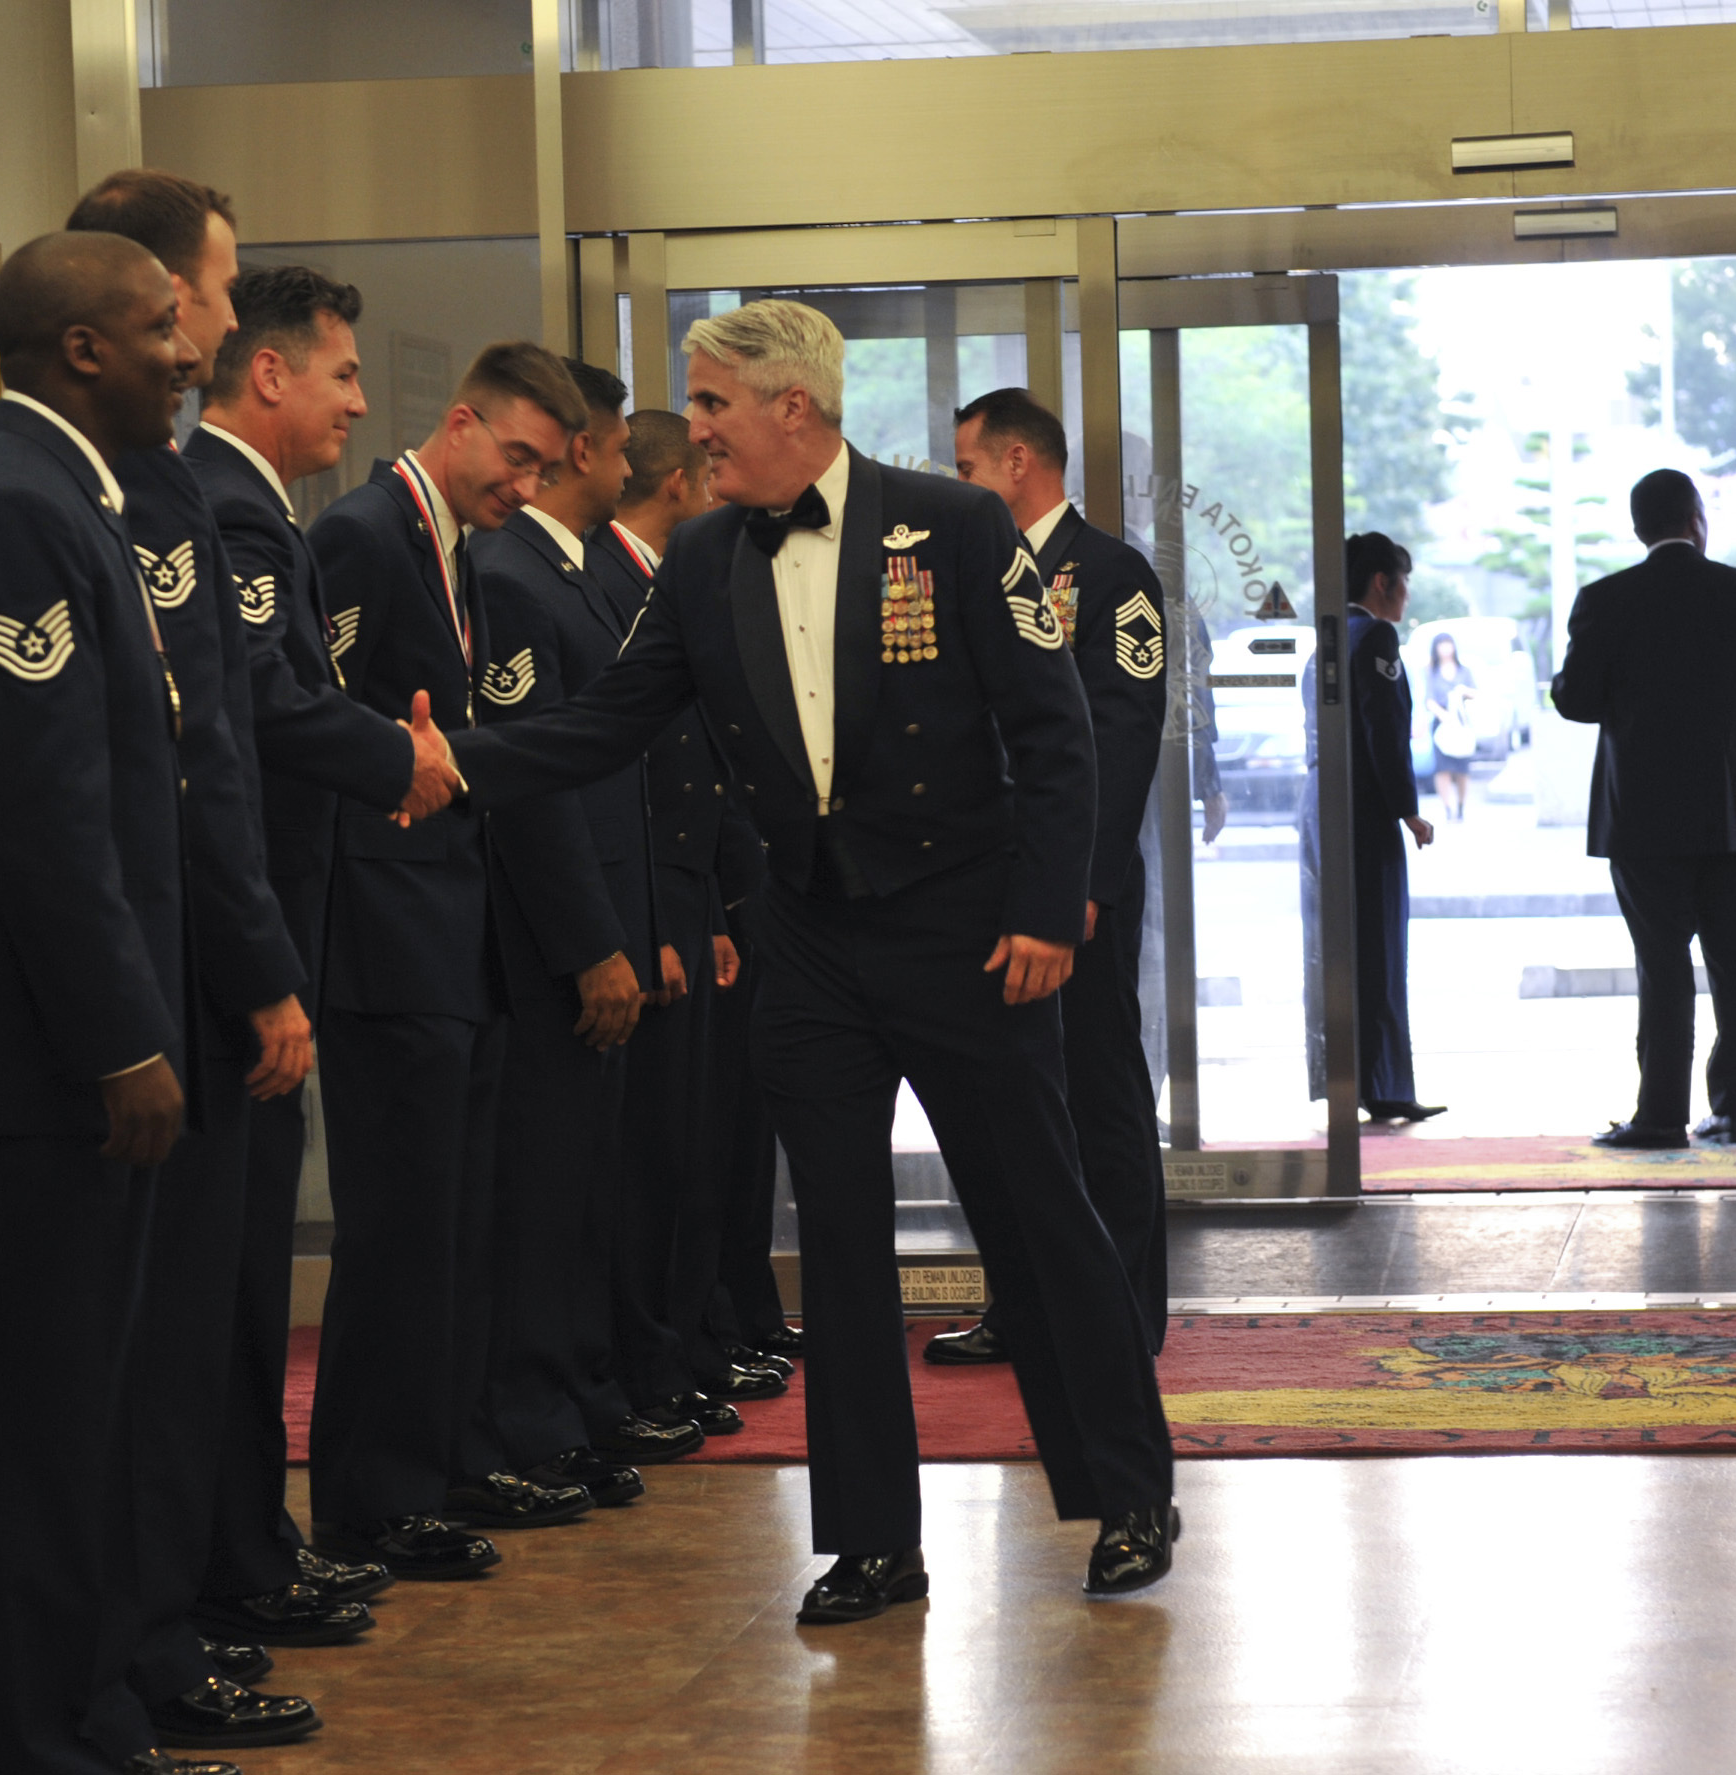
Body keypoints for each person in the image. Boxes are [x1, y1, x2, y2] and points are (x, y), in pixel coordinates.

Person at [431, 299, 1178, 1621]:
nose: (692, 430)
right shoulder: (708, 553)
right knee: (836, 1240)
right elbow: (607, 719)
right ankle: (874, 1539)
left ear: (792, 406)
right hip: (811, 943)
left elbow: (1054, 729)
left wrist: (1048, 905)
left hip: (963, 933)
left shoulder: (946, 524)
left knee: (1033, 1207)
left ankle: (1124, 1489)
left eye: (711, 403)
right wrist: (443, 764)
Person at [0, 229, 220, 1775]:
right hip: (27, 1076)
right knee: (24, 1437)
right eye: (161, 326)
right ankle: (20, 1743)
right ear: (80, 349)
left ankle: (86, 1720)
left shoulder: (65, 495)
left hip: (52, 1066)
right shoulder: (15, 512)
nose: (187, 348)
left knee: (77, 1424)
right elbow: (42, 816)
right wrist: (123, 1037)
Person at [61, 173, 361, 1745]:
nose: (233, 320)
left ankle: (174, 1622)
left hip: (201, 957)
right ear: (152, 303)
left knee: (201, 1331)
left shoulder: (154, 489)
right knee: (168, 1343)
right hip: (166, 982)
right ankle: (153, 1639)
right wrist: (257, 970)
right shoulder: (137, 501)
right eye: (219, 289)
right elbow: (196, 766)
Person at [302, 341, 593, 1578]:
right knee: (401, 1232)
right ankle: (374, 1495)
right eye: (515, 456)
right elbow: (313, 715)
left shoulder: (453, 546)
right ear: (462, 421)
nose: (524, 486)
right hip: (385, 933)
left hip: (450, 927)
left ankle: (447, 1456)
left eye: (543, 469)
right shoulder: (366, 534)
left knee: (459, 1224)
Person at [181, 265, 423, 1619]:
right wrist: (403, 754)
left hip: (263, 934)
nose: (357, 400)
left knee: (249, 1282)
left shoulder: (253, 510)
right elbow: (259, 719)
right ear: (268, 373)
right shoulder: (225, 509)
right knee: (228, 1300)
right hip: (238, 948)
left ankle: (251, 1549)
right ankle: (234, 1562)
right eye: (339, 372)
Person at [929, 386, 1170, 1365]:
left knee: (1100, 1096)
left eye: (969, 467)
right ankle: (1023, 1305)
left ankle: (1117, 1310)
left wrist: (1079, 884)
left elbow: (1121, 738)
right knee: (1008, 1106)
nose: (963, 485)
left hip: (1074, 891)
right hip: (984, 883)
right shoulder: (975, 572)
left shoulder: (1111, 573)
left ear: (1018, 463)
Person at [466, 357, 671, 1509]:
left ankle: (580, 1396)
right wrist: (592, 938)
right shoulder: (508, 576)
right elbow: (534, 782)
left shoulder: (580, 574)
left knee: (587, 1185)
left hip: (612, 917)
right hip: (550, 934)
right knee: (543, 1194)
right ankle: (536, 1413)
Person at [586, 409, 781, 1435]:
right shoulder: (607, 581)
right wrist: (665, 914)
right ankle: (659, 1354)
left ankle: (696, 1337)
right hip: (652, 902)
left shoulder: (669, 573)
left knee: (703, 1147)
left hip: (694, 894)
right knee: (659, 1157)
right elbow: (628, 763)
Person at [1553, 468, 1736, 1150]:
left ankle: (1660, 1117)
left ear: (1638, 527)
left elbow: (1576, 699)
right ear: (1696, 518)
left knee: (1662, 961)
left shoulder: (1606, 598)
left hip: (1645, 815)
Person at [1302, 531, 1441, 1126]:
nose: (1406, 597)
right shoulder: (1376, 635)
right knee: (1379, 947)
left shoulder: (1326, 641)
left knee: (1332, 950)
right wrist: (1407, 808)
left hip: (1318, 809)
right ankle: (1385, 1087)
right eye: (1403, 582)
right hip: (1362, 810)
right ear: (1382, 582)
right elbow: (1383, 728)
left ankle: (1339, 1082)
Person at [1425, 630, 1478, 822]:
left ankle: (1461, 805)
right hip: (1442, 725)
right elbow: (1428, 699)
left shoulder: (1464, 671)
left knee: (1462, 769)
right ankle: (1447, 807)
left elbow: (1476, 693)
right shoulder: (1432, 671)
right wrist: (1444, 715)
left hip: (1462, 725)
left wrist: (1464, 693)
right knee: (1443, 769)